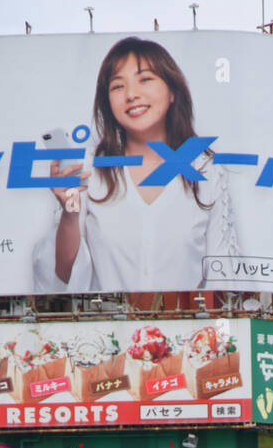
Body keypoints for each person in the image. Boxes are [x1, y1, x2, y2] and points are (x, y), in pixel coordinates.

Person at [33, 36, 239, 294]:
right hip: (105, 332)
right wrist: (70, 212)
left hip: (189, 333)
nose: (131, 95)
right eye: (118, 86)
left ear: (173, 90)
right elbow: (60, 278)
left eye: (145, 79)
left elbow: (225, 281)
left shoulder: (206, 171)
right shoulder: (91, 167)